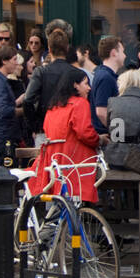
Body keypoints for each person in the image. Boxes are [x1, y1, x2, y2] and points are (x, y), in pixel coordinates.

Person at [38, 67, 100, 203]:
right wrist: (99, 140)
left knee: (60, 201)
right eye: (85, 83)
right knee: (76, 202)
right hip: (75, 162)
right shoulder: (80, 103)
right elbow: (85, 133)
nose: (89, 88)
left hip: (55, 160)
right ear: (75, 85)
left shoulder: (54, 106)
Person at [90, 36, 124, 134]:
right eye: (122, 51)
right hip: (107, 137)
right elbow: (101, 112)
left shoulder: (103, 74)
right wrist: (117, 133)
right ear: (114, 53)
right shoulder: (106, 77)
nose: (125, 56)